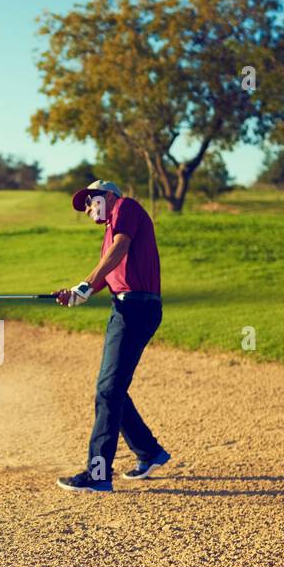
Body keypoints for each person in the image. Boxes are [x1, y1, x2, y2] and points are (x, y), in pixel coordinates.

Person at [54, 180, 171, 492]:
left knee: (108, 391)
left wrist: (87, 281)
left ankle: (98, 473)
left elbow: (120, 250)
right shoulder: (110, 234)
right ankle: (149, 452)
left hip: (136, 309)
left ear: (108, 196)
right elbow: (108, 272)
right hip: (124, 309)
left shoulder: (125, 207)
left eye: (92, 201)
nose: (89, 209)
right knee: (112, 389)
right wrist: (78, 292)